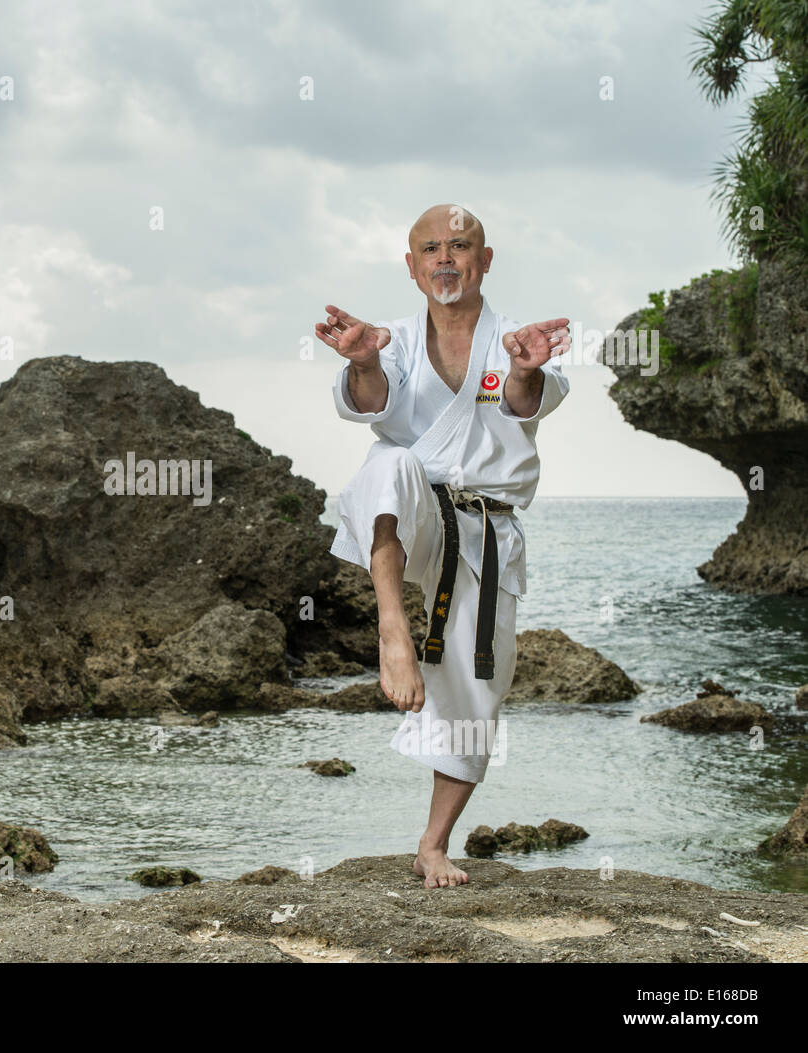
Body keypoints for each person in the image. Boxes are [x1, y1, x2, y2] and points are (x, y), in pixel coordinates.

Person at [315, 203, 570, 889]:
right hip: (415, 517)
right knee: (387, 462)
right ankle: (391, 624)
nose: (445, 258)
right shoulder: (390, 339)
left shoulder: (510, 343)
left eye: (461, 245)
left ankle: (432, 845)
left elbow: (523, 399)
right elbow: (372, 402)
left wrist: (522, 372)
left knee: (476, 691)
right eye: (430, 247)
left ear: (484, 260)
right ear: (412, 265)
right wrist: (364, 360)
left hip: (486, 530)